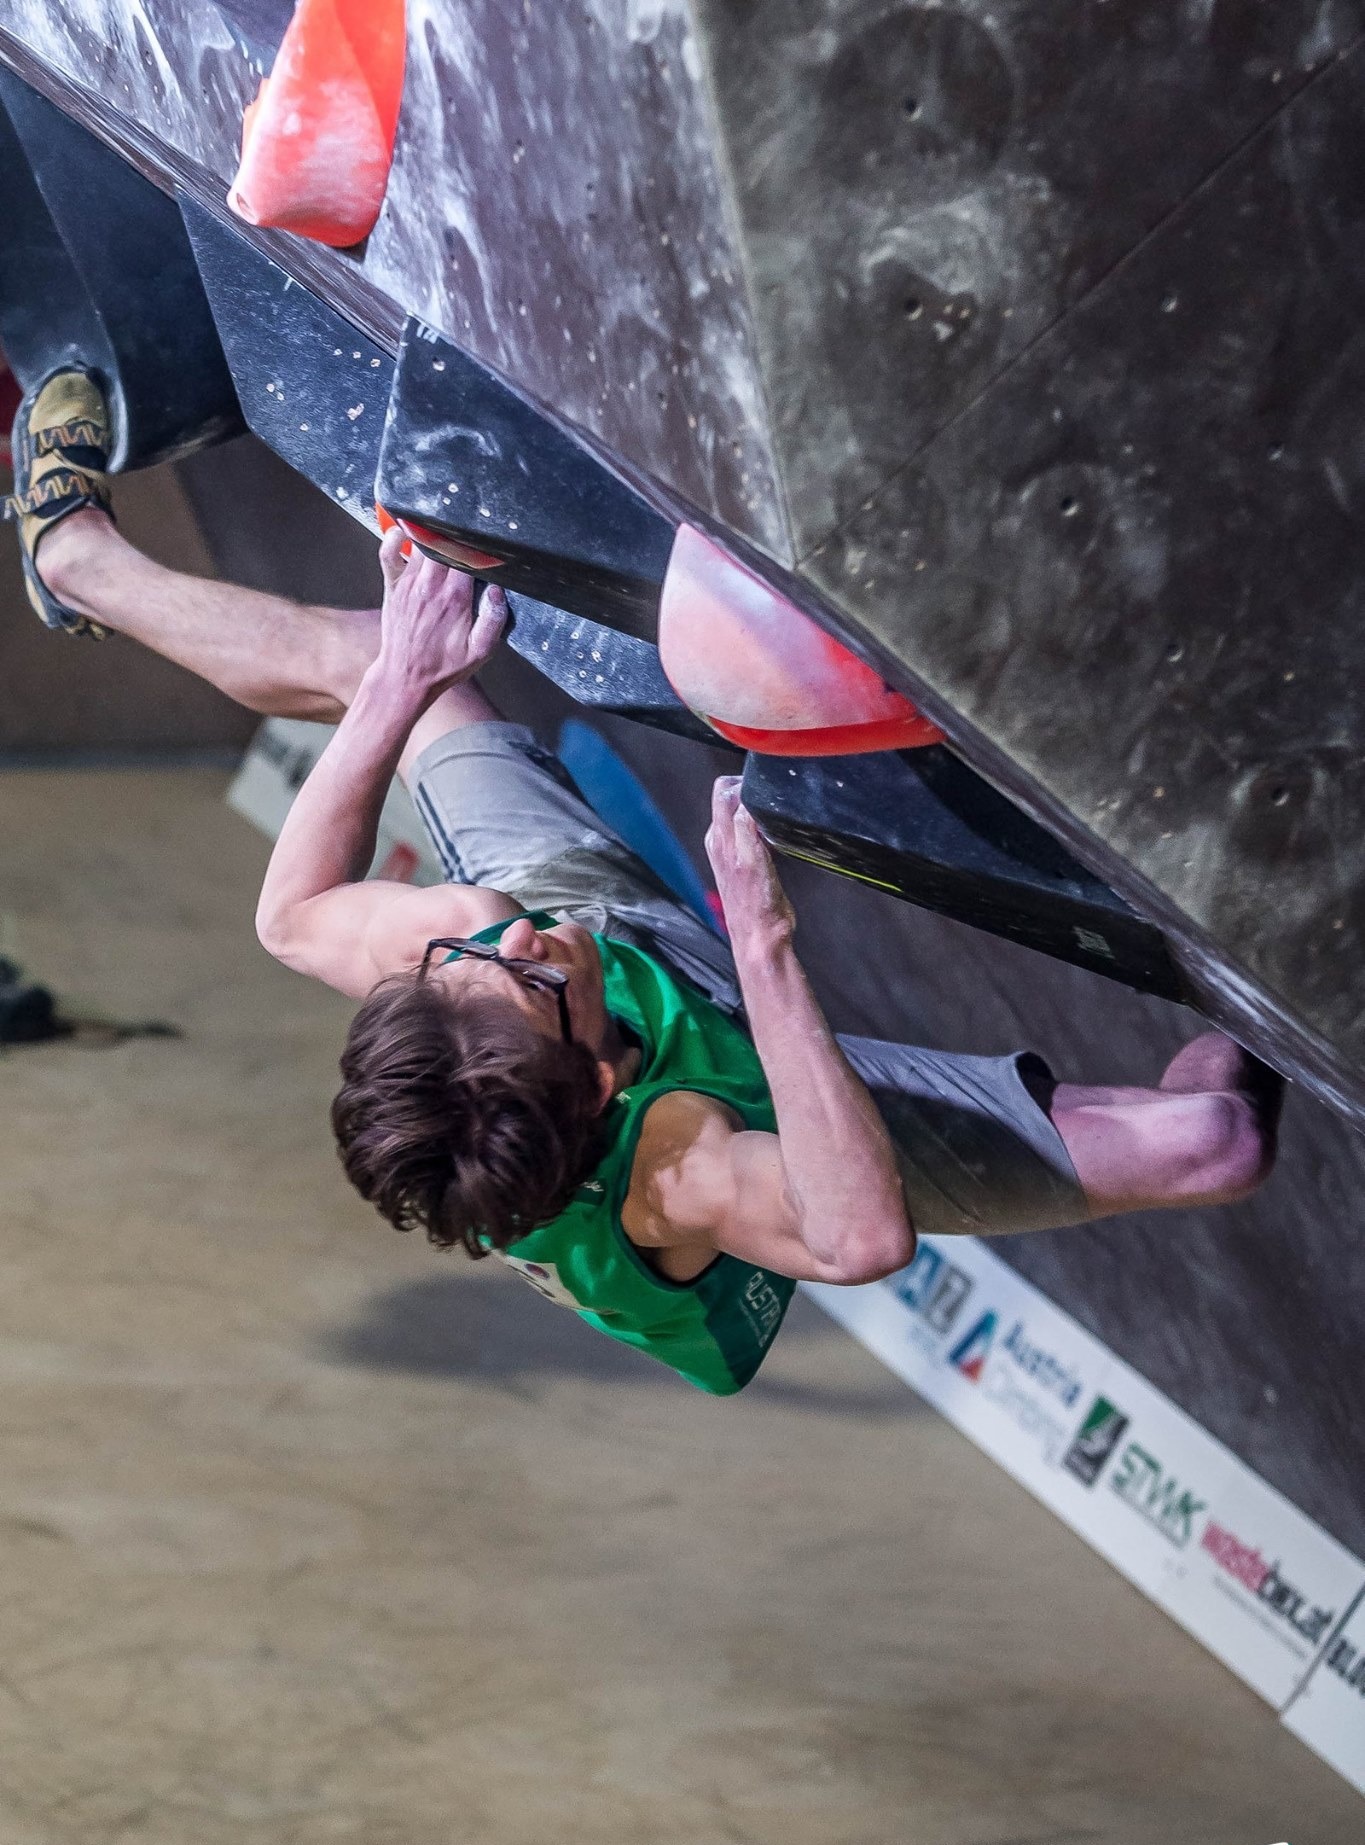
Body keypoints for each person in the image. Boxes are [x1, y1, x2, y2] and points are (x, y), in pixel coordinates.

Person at [6, 368, 1283, 1393]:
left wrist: (396, 681)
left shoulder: (473, 963)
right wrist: (766, 948)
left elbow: (291, 918)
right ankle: (1253, 998)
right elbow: (858, 1238)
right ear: (602, 1069)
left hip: (618, 986)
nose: (506, 940)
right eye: (518, 973)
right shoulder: (688, 1166)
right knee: (1211, 1143)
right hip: (755, 1088)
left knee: (397, 676)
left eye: (463, 963)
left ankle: (80, 568)